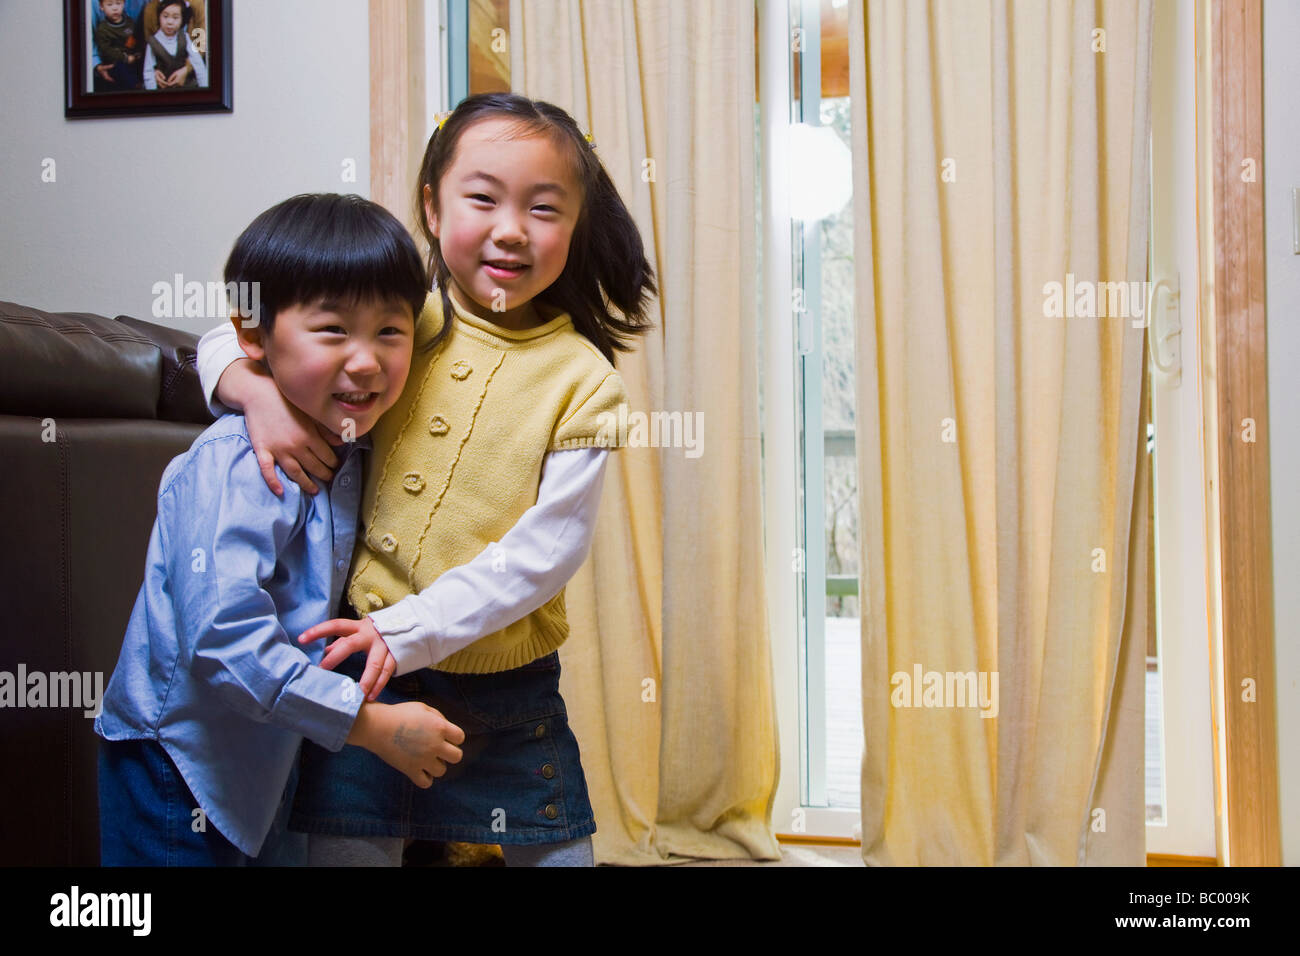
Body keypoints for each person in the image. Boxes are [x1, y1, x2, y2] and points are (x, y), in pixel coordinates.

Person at [195, 92, 656, 866]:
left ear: (575, 232)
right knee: (348, 844)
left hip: (503, 683)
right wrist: (254, 394)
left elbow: (547, 552)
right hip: (360, 667)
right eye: (483, 198)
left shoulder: (583, 380)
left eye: (544, 210)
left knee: (556, 846)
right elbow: (234, 329)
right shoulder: (404, 321)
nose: (511, 228)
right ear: (433, 209)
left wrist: (405, 632)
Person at [95, 193, 467, 866]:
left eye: (391, 331)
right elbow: (222, 636)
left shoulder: (350, 443)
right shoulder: (239, 463)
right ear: (254, 337)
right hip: (176, 754)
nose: (366, 361)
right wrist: (368, 723)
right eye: (332, 331)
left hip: (267, 742)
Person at [142, 0, 207, 90]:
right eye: (165, 16)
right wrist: (154, 72)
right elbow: (148, 45)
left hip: (189, 72)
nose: (170, 22)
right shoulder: (151, 9)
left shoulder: (197, 4)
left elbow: (201, 42)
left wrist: (187, 69)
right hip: (163, 76)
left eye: (175, 17)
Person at [92, 0, 143, 91]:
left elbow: (135, 37)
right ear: (101, 7)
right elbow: (105, 50)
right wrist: (125, 58)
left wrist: (136, 53)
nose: (115, 8)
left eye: (118, 4)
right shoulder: (103, 29)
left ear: (124, 4)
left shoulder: (129, 22)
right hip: (115, 60)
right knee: (120, 69)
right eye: (110, 5)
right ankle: (137, 87)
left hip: (132, 56)